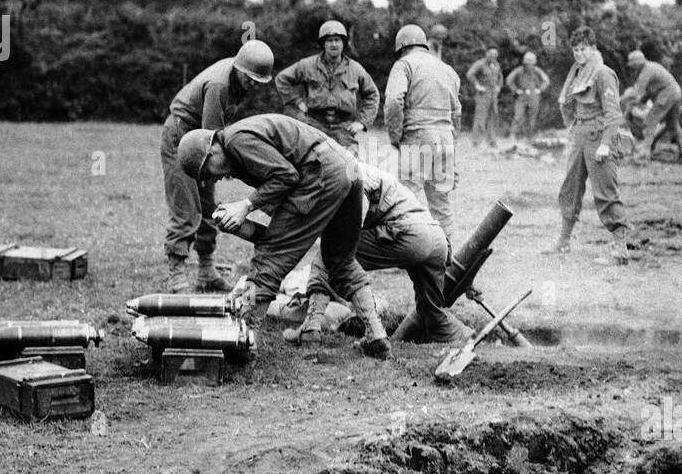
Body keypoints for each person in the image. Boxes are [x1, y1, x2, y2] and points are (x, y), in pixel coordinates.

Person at [175, 114, 391, 358]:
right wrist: (240, 224)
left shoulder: (236, 140)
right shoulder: (242, 142)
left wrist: (245, 206)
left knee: (265, 262)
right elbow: (281, 231)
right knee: (339, 259)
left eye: (207, 173)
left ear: (212, 151)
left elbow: (286, 177)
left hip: (322, 174)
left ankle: (243, 339)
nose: (213, 179)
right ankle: (375, 333)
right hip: (348, 170)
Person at [283, 164, 470, 348]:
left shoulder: (348, 175)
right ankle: (470, 340)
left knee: (329, 254)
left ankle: (311, 328)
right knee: (431, 313)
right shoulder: (357, 170)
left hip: (408, 235)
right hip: (437, 239)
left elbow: (353, 222)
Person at [160, 39, 274, 293]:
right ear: (239, 68)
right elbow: (212, 137)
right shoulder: (220, 85)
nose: (253, 83)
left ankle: (206, 270)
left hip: (201, 142)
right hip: (182, 138)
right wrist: (234, 166)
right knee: (186, 206)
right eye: (250, 77)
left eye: (259, 80)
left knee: (208, 205)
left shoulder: (238, 79)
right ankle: (176, 274)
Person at [551, 26, 630, 263]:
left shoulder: (603, 73)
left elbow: (614, 114)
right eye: (575, 49)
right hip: (580, 134)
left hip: (599, 135)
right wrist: (573, 129)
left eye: (583, 49)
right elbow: (568, 104)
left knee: (605, 192)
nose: (579, 54)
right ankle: (563, 242)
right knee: (570, 189)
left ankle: (620, 249)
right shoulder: (577, 73)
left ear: (593, 48)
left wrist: (606, 144)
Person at [383, 24, 461, 243]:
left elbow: (393, 102)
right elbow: (457, 112)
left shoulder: (404, 64)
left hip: (418, 134)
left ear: (402, 46)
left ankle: (402, 251)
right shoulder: (448, 69)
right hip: (445, 136)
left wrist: (395, 135)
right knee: (441, 203)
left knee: (405, 196)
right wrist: (453, 143)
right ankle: (447, 256)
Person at [274, 19, 379, 148]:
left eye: (337, 40)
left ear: (344, 43)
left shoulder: (355, 69)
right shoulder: (307, 65)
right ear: (323, 43)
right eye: (329, 40)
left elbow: (372, 94)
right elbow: (282, 79)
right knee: (310, 164)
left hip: (344, 128)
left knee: (350, 165)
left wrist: (362, 122)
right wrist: (298, 102)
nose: (333, 44)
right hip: (314, 126)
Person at [621, 50, 682, 160]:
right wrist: (634, 104)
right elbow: (645, 94)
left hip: (667, 95)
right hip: (676, 93)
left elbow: (636, 92)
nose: (632, 69)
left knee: (649, 121)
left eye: (633, 66)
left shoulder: (646, 71)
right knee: (673, 124)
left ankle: (644, 153)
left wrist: (620, 99)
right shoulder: (651, 68)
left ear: (638, 63)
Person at [505, 51, 551, 141]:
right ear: (524, 63)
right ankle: (513, 135)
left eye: (531, 64)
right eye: (527, 64)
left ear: (534, 63)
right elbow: (509, 80)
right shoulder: (519, 70)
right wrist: (515, 90)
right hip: (522, 95)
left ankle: (529, 136)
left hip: (534, 95)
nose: (529, 66)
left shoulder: (537, 70)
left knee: (532, 117)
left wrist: (540, 89)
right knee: (518, 115)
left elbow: (546, 80)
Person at [466, 47, 503, 146]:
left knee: (492, 116)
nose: (493, 56)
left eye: (495, 55)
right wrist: (477, 85)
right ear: (486, 54)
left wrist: (499, 86)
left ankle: (491, 141)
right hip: (483, 93)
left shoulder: (496, 65)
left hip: (493, 94)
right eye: (491, 54)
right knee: (480, 117)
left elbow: (500, 77)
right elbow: (470, 74)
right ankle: (476, 141)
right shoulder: (480, 64)